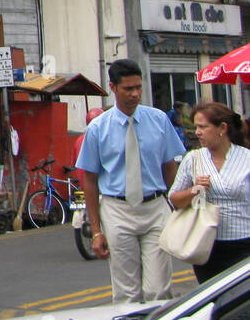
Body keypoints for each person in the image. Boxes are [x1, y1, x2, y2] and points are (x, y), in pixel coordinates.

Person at [77, 59, 187, 303]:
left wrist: (177, 206)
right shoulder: (98, 128)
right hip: (118, 210)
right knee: (127, 292)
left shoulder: (158, 119)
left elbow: (169, 165)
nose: (135, 94)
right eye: (128, 89)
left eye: (138, 87)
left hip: (156, 208)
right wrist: (96, 231)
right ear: (113, 88)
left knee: (158, 289)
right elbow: (90, 180)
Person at [168, 102, 250, 284]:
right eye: (196, 127)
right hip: (207, 245)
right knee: (214, 303)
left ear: (222, 128)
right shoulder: (193, 159)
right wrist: (194, 190)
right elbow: (174, 199)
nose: (197, 132)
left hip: (244, 244)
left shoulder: (246, 158)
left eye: (203, 127)